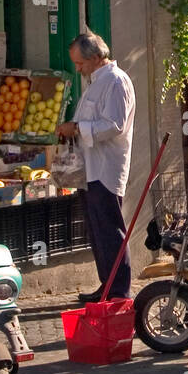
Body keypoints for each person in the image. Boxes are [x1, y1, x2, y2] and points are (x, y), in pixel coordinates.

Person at [56, 31, 136, 303]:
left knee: (110, 230)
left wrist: (77, 128)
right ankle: (108, 285)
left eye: (80, 64)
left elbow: (114, 125)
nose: (77, 69)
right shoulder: (97, 81)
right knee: (98, 232)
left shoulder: (115, 81)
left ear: (95, 58)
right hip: (90, 169)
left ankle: (118, 292)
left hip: (106, 169)